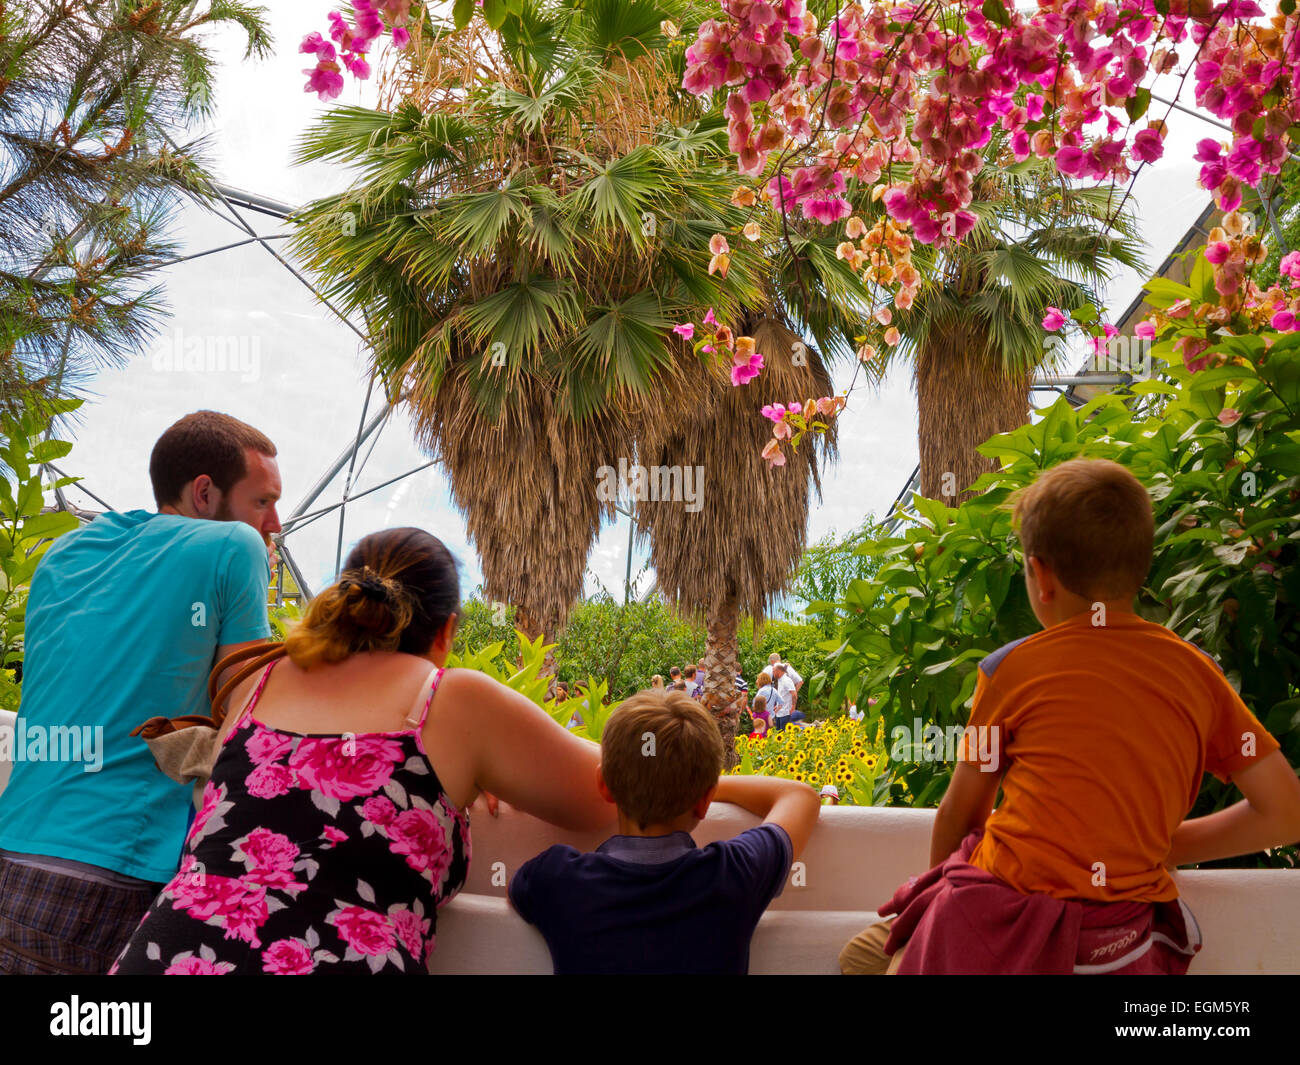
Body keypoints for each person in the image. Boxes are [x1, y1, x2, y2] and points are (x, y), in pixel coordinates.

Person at [841, 458, 1300, 976]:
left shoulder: (1012, 667)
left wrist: (944, 913)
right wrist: (1161, 846)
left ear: (1041, 575)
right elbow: (1285, 810)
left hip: (999, 909)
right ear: (1138, 565)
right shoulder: (1200, 675)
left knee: (858, 958)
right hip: (1121, 936)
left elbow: (960, 813)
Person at [111, 527, 614, 975]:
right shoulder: (453, 699)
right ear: (446, 631)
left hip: (170, 952)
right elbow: (612, 789)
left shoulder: (257, 683)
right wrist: (486, 769)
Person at [0, 411, 282, 976]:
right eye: (262, 502)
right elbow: (250, 715)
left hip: (13, 860)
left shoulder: (67, 554)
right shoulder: (232, 546)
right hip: (111, 882)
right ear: (204, 492)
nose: (274, 522)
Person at [508, 689, 820, 974]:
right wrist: (693, 786)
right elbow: (800, 797)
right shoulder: (735, 873)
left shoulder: (556, 878)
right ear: (704, 802)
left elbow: (516, 890)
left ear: (604, 786)